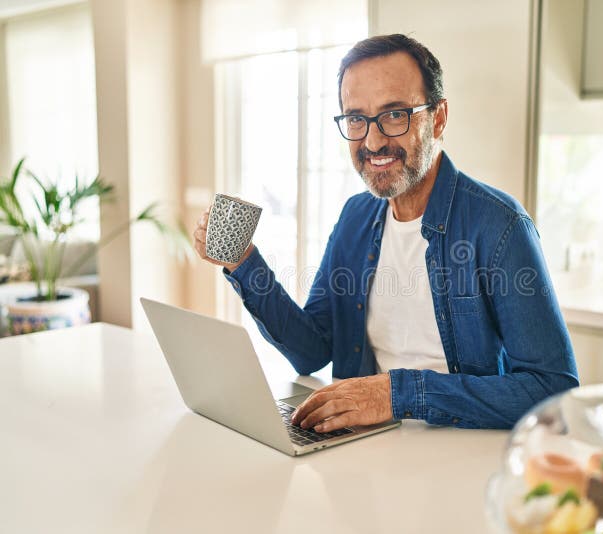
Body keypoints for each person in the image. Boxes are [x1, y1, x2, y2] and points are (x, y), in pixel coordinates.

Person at [193, 34, 578, 432]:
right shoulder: (356, 216)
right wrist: (242, 263)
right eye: (356, 119)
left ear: (438, 118)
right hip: (366, 447)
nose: (373, 141)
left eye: (395, 115)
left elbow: (552, 392)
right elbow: (311, 351)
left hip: (462, 452)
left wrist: (397, 394)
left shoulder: (499, 226)